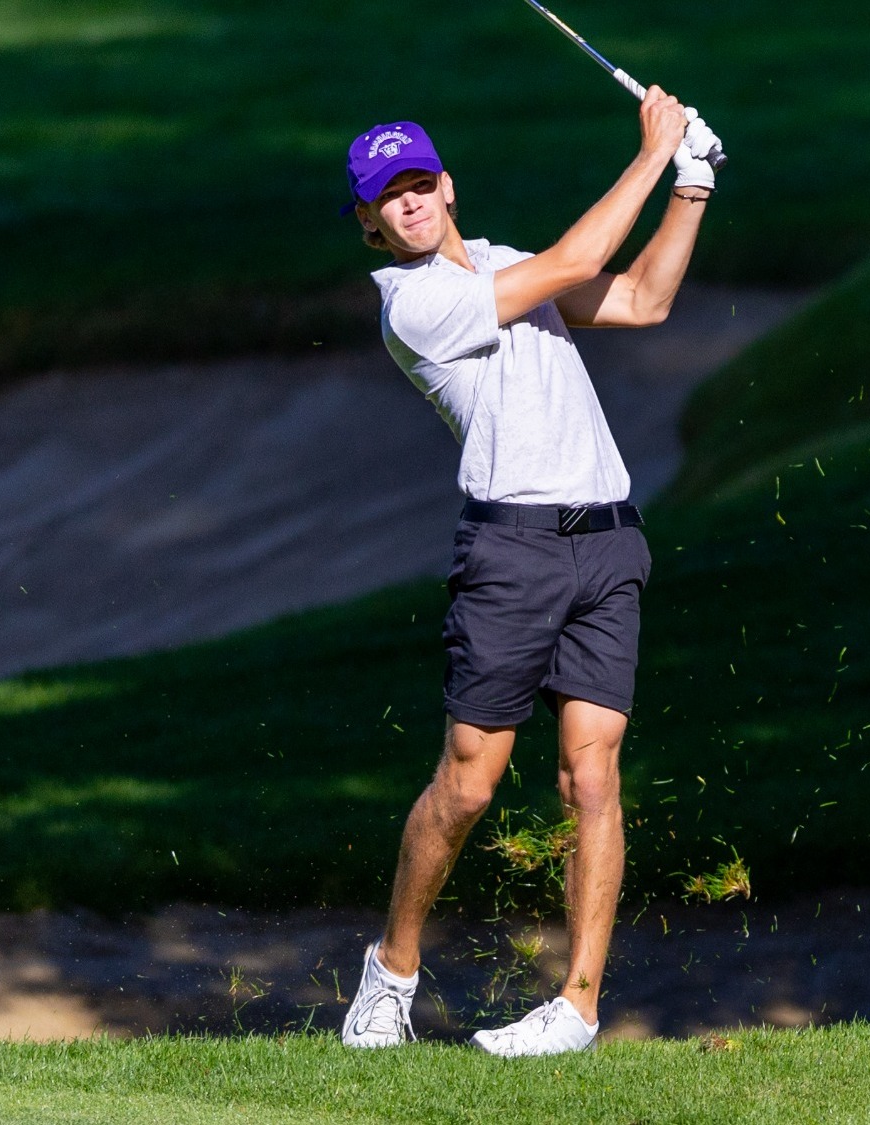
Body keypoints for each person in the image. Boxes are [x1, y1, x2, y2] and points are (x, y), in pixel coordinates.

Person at [336, 88, 719, 1057]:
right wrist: (650, 150)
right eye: (392, 196)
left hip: (608, 541)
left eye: (421, 182)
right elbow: (583, 261)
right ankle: (392, 973)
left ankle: (578, 1008)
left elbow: (639, 298)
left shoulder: (506, 265)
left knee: (592, 776)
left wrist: (692, 182)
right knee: (469, 785)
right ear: (370, 225)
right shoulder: (411, 303)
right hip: (510, 551)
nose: (412, 202)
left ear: (447, 185)